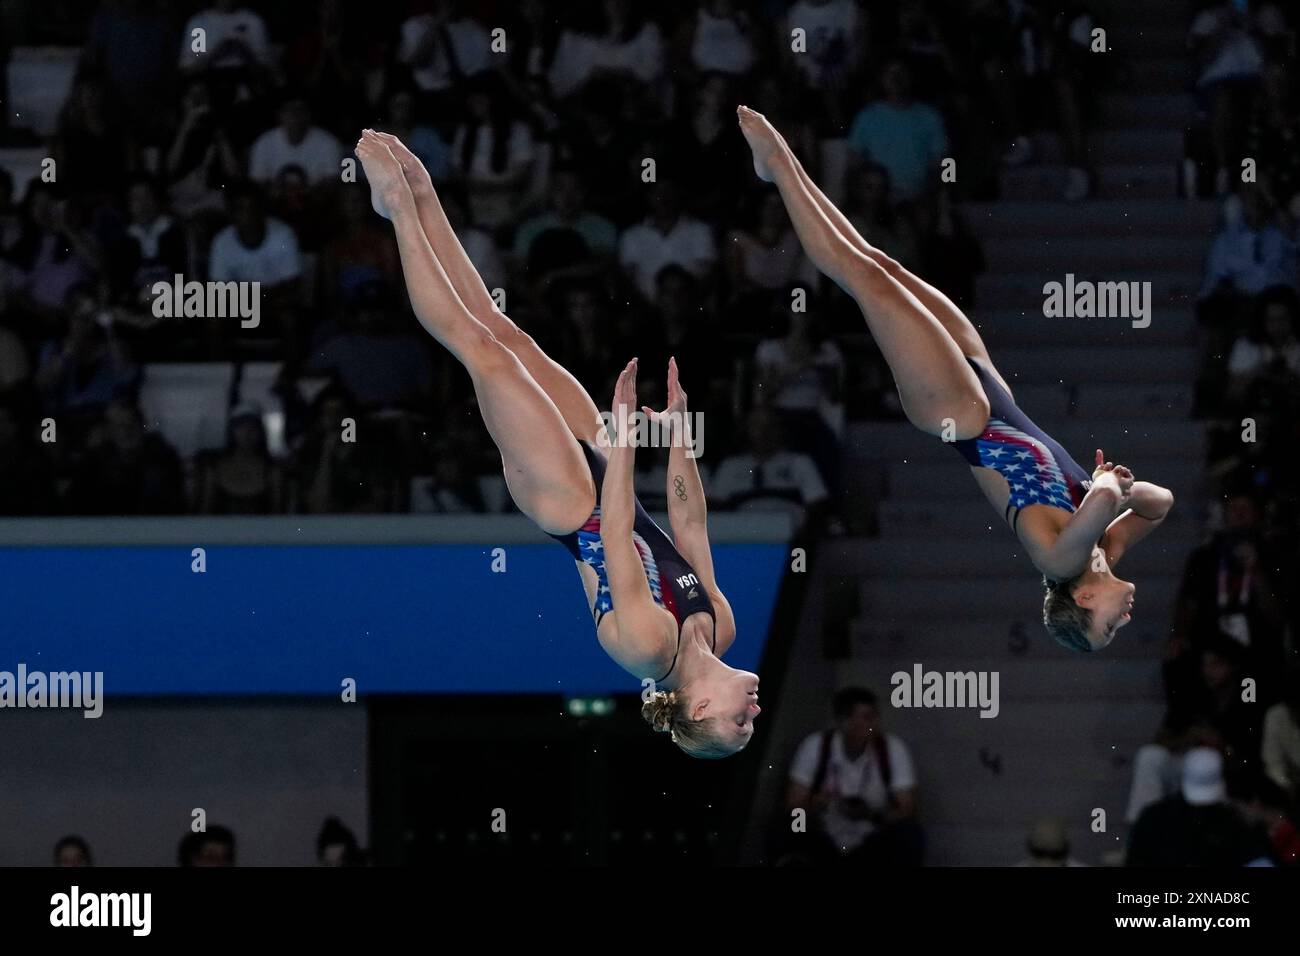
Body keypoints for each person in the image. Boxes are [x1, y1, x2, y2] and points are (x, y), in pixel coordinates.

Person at [354, 130, 754, 758]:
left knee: (484, 355)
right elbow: (690, 521)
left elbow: (617, 533)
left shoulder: (648, 649)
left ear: (700, 707)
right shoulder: (721, 627)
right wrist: (677, 435)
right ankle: (426, 195)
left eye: (739, 725)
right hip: (602, 472)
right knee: (509, 337)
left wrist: (623, 438)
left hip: (570, 504)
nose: (751, 714)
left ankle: (397, 212)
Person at [736, 105, 1174, 652]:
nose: (1124, 619)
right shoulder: (1102, 552)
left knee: (866, 281)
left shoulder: (1060, 560)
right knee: (880, 266)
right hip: (990, 389)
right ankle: (784, 167)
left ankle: (778, 164)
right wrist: (1128, 487)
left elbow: (1107, 497)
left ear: (1084, 601)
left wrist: (1113, 486)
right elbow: (1161, 503)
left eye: (1108, 626)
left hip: (959, 415)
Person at [785, 686, 923, 866]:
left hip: (872, 834)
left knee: (908, 833)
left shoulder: (891, 749)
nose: (869, 725)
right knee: (791, 825)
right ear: (842, 720)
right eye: (863, 718)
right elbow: (793, 804)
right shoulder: (817, 745)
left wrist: (873, 815)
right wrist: (816, 805)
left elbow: (907, 809)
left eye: (872, 717)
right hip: (823, 831)